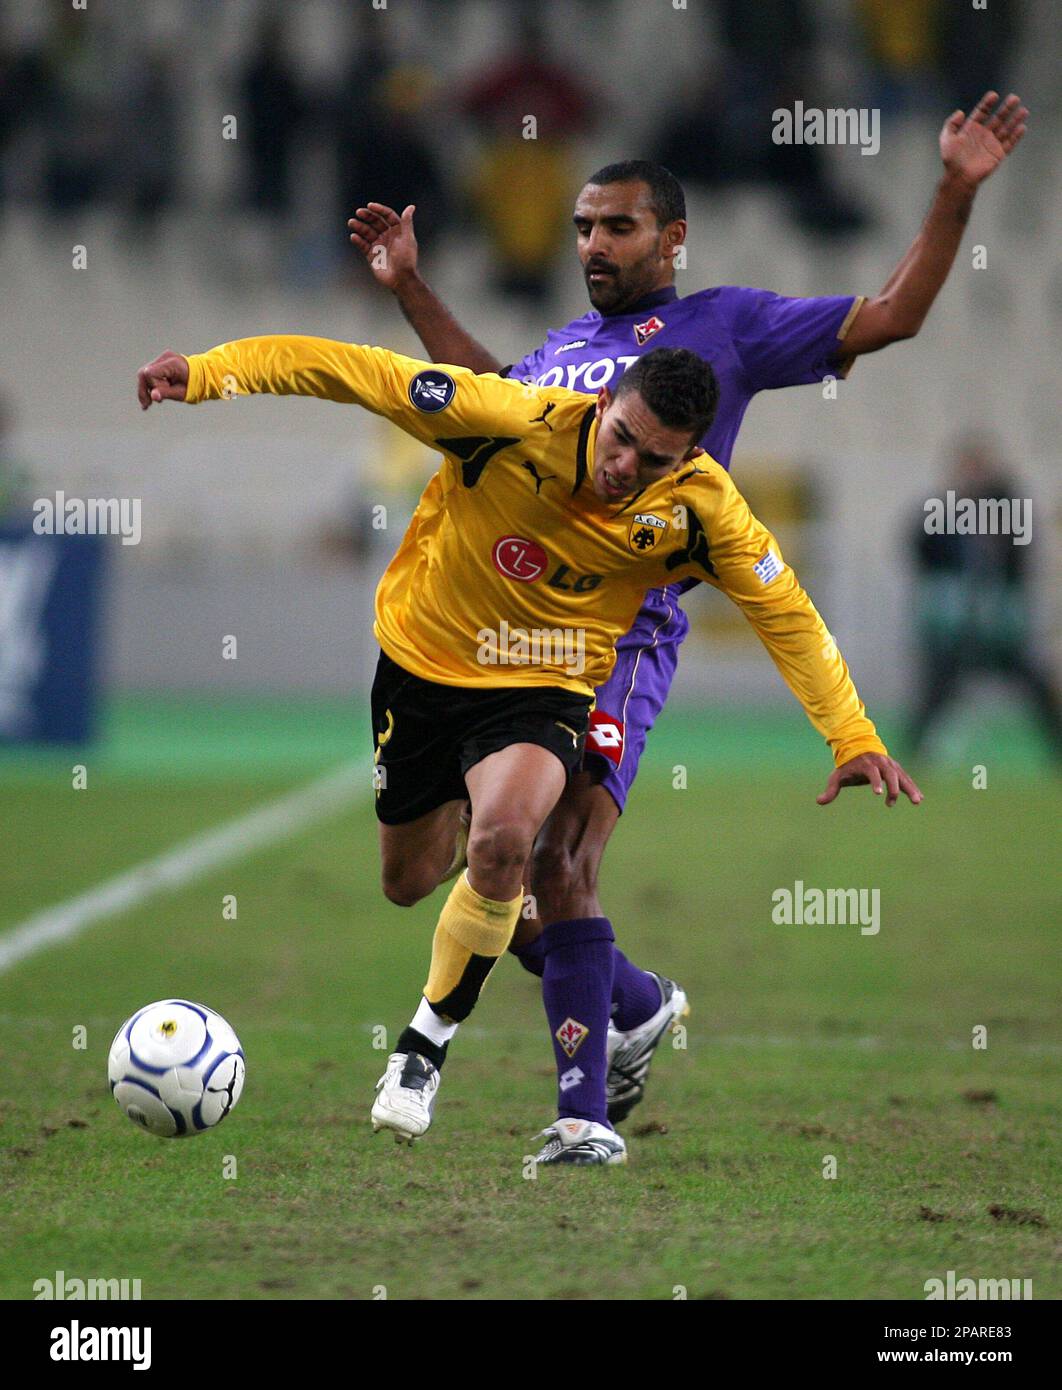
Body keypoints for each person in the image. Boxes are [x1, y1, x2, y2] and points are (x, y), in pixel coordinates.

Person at [345, 91, 1026, 1138]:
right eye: (581, 226)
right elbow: (483, 399)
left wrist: (951, 191)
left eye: (616, 225)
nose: (593, 244)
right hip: (520, 632)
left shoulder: (734, 325)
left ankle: (582, 1123)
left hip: (629, 626)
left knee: (560, 855)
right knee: (466, 870)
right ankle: (635, 1003)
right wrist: (412, 289)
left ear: (673, 237)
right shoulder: (569, 342)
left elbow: (891, 318)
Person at [135, 339, 920, 1165]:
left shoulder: (703, 509)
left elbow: (785, 611)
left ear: (689, 454)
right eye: (621, 437)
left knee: (508, 841)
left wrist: (852, 734)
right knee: (408, 881)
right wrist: (213, 374)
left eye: (656, 458)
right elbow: (355, 371)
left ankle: (424, 1044)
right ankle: (629, 993)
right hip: (423, 670)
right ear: (607, 401)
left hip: (546, 685)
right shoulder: (505, 422)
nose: (627, 464)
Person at [908, 435, 1062, 760]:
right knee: (937, 686)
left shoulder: (1006, 511)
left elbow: (1021, 562)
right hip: (956, 626)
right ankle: (915, 754)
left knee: (1035, 684)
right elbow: (919, 552)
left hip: (998, 626)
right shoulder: (941, 515)